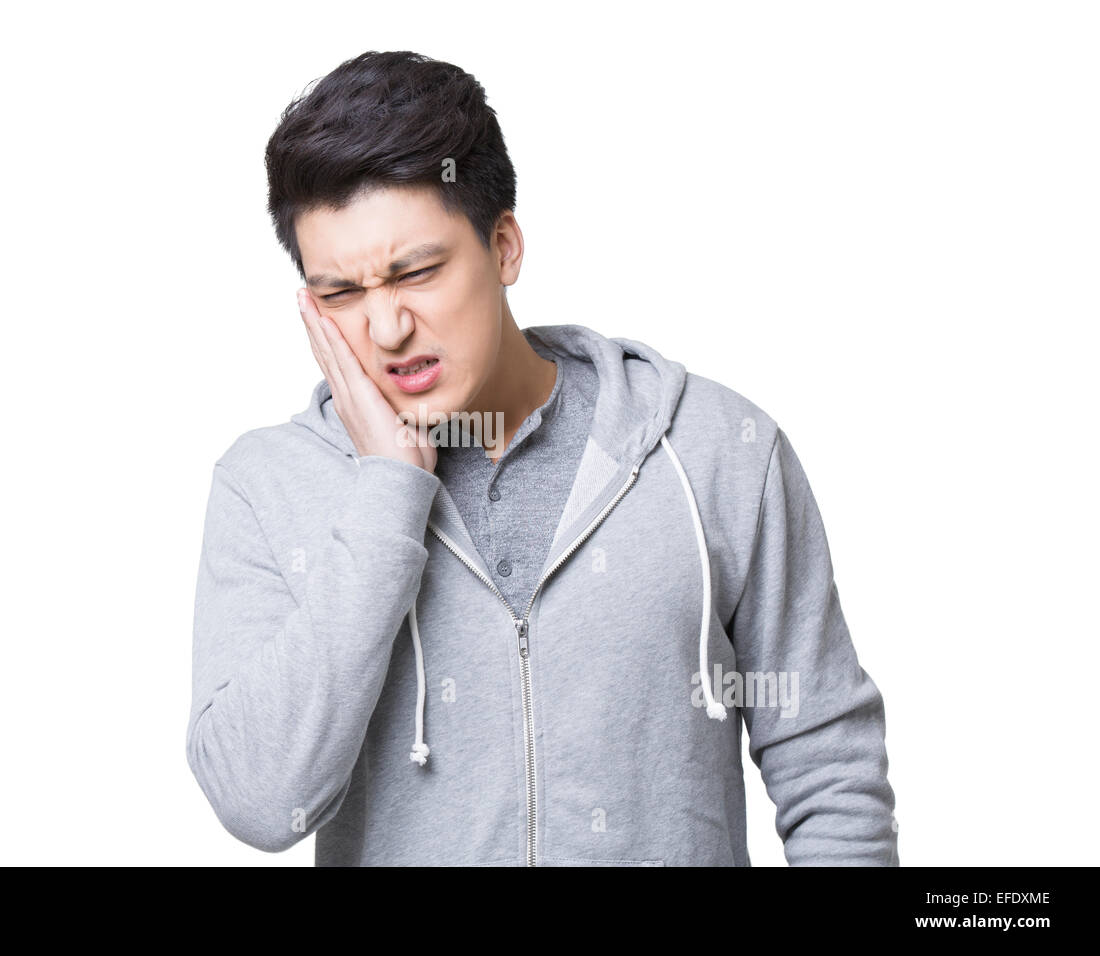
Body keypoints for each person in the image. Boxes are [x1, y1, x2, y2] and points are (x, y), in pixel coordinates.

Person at [185, 50, 899, 866]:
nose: (385, 330)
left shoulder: (714, 452)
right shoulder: (268, 487)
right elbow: (258, 801)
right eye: (340, 295)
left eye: (415, 271)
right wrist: (388, 490)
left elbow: (829, 768)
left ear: (505, 246)